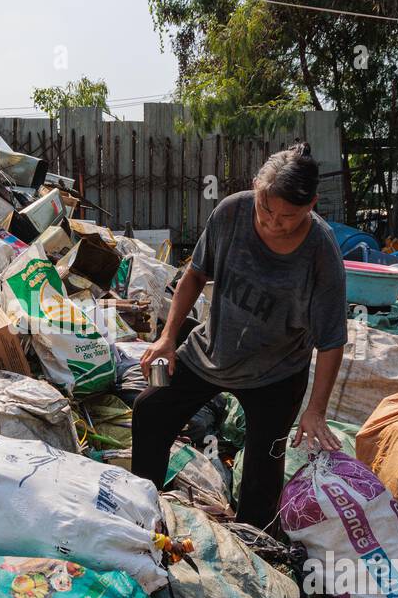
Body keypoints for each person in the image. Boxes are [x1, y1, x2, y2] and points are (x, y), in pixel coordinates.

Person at [131, 142, 348, 533]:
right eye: (266, 207)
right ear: (255, 187)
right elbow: (195, 274)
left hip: (277, 372)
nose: (273, 221)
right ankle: (143, 518)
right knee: (151, 409)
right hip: (210, 351)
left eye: (289, 215)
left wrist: (316, 410)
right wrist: (166, 339)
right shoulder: (230, 211)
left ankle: (256, 549)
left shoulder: (321, 252)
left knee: (264, 469)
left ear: (311, 205)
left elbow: (331, 340)